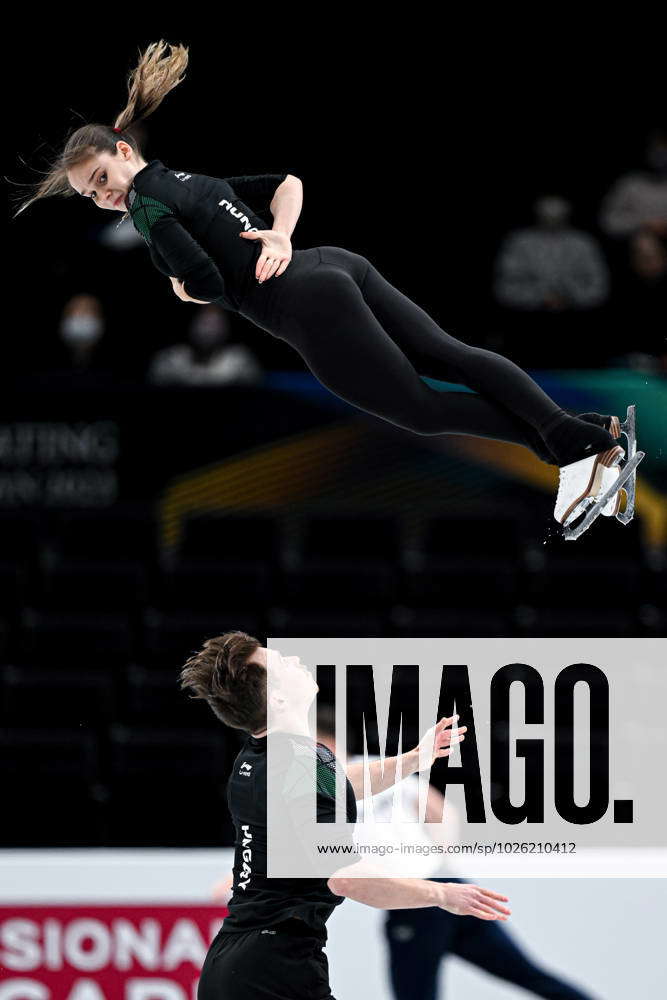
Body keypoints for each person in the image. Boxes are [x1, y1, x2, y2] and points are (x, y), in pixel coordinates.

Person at [13, 39, 636, 530]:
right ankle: (590, 436)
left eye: (101, 177)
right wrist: (283, 236)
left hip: (306, 308)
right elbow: (288, 182)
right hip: (334, 264)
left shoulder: (149, 209)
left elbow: (203, 277)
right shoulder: (186, 180)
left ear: (124, 150)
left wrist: (182, 287)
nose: (103, 196)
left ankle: (577, 448)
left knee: (422, 408)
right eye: (91, 195)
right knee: (452, 357)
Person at [179, 630, 511, 1000]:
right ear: (278, 697)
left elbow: (340, 781)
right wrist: (441, 894)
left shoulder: (261, 756)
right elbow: (345, 878)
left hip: (236, 963)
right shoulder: (302, 761)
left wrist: (415, 759)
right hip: (274, 969)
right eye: (279, 662)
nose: (292, 659)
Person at [315, 709, 597, 1000]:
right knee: (527, 974)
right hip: (448, 883)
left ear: (326, 745)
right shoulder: (381, 769)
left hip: (418, 896)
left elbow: (439, 813)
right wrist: (437, 862)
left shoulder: (329, 785)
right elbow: (442, 814)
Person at [147, 303, 262, 385]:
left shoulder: (240, 362)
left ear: (226, 327)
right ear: (192, 324)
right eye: (205, 323)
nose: (208, 331)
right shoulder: (170, 360)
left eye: (215, 323)